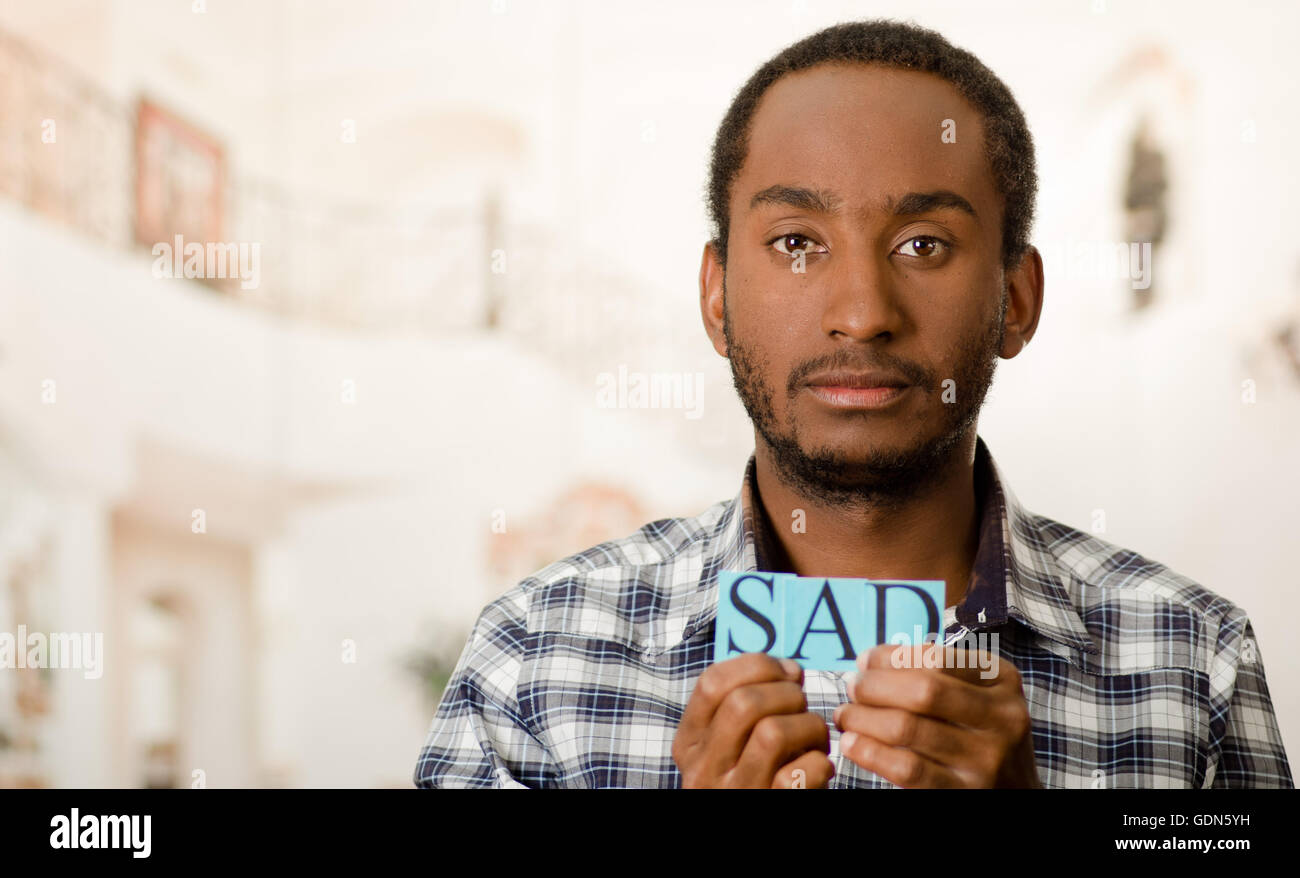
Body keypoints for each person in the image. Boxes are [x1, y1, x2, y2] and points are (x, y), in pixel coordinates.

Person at [413, 19, 1293, 789]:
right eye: (797, 242)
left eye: (923, 242)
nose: (863, 313)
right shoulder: (533, 658)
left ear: (1016, 300)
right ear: (716, 297)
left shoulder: (1194, 663)